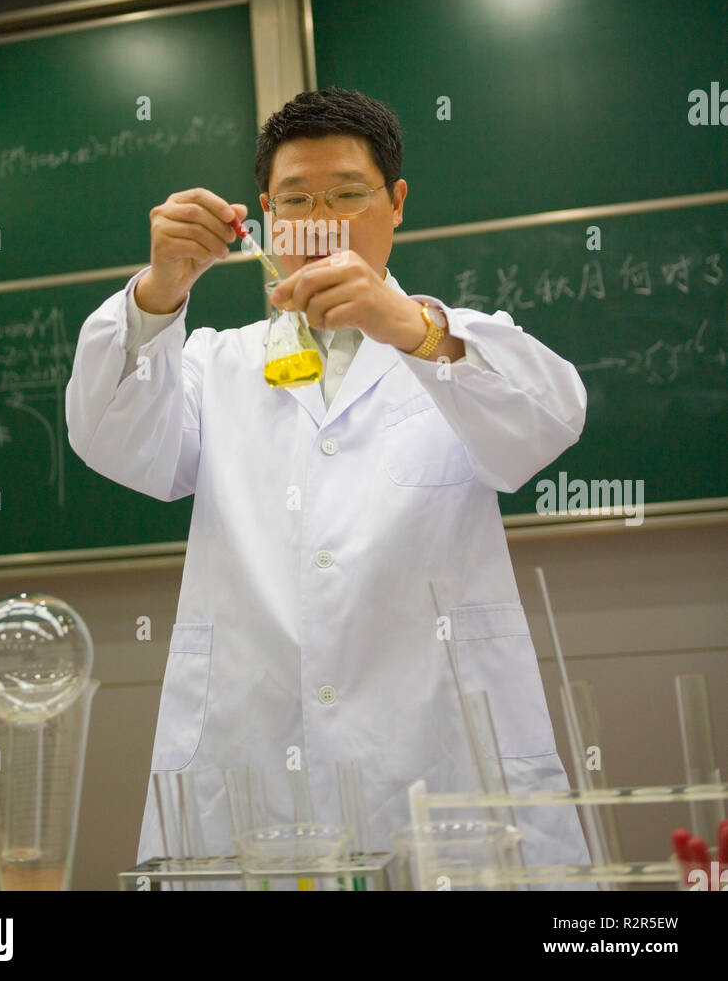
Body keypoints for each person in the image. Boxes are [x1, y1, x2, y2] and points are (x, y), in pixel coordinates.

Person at [65, 86, 592, 887]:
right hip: (255, 759)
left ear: (397, 203)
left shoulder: (457, 344)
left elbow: (551, 417)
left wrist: (414, 330)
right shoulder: (215, 363)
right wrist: (157, 293)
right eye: (296, 200)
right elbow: (109, 438)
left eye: (348, 194)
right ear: (266, 218)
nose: (324, 218)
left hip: (438, 762)